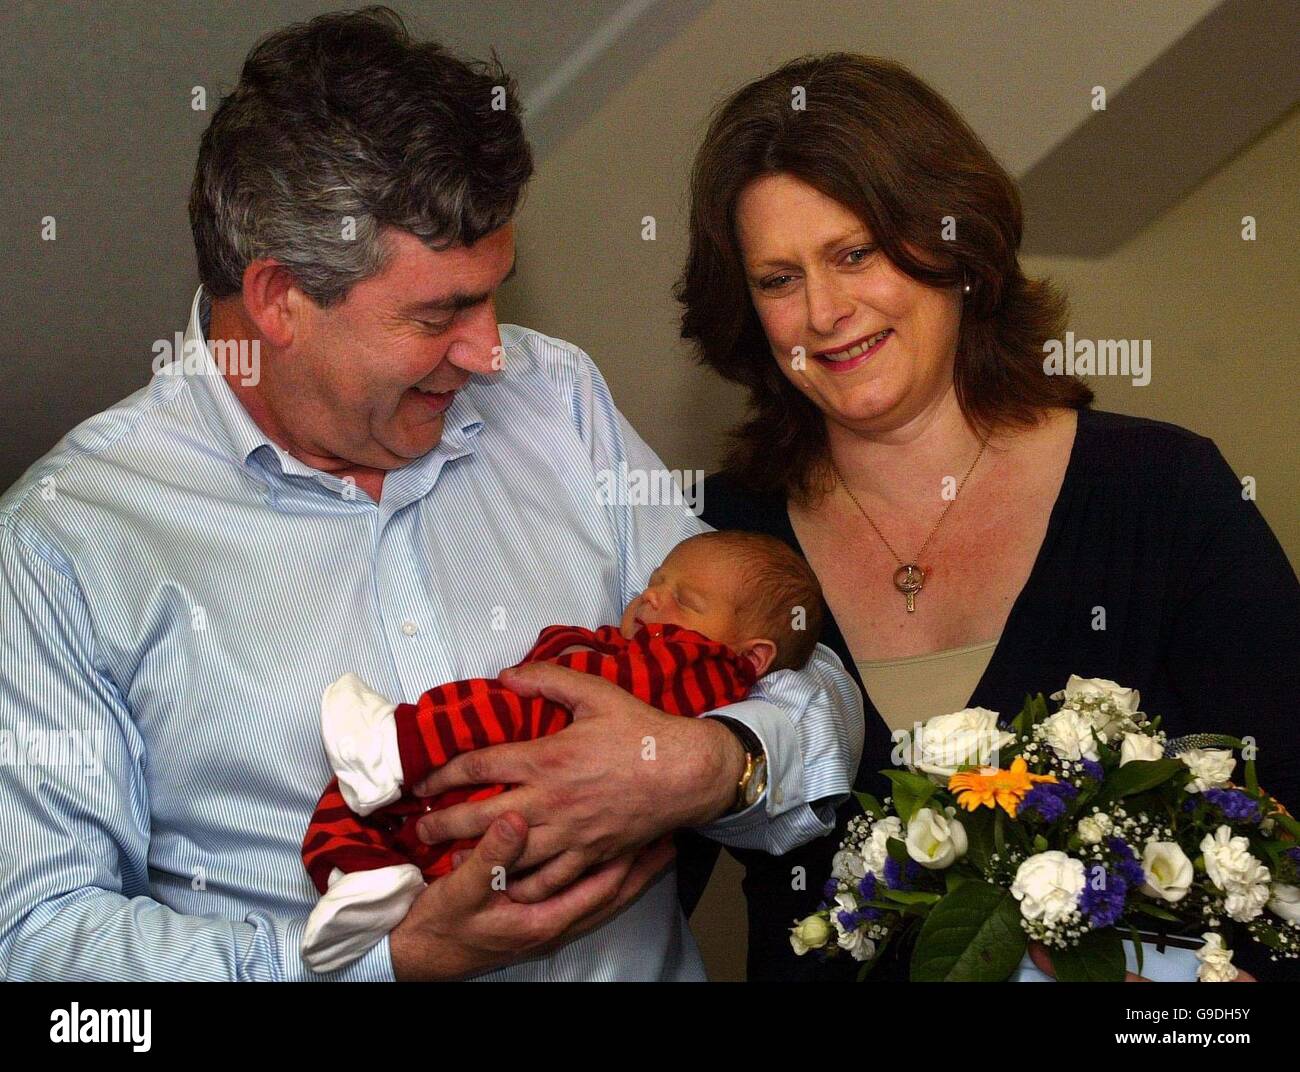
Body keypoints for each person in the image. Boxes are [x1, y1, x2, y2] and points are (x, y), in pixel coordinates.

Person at [0, 10, 863, 982]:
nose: (489, 350)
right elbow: (39, 940)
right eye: (440, 312)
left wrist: (708, 762)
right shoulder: (66, 544)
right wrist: (388, 962)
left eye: (494, 291)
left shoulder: (554, 398)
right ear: (279, 297)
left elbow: (803, 679)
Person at [671, 52, 1300, 982]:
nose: (826, 312)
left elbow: (1288, 835)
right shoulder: (715, 540)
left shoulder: (1162, 492)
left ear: (952, 248)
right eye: (777, 279)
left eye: (856, 253)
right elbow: (636, 884)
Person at [300, 530, 824, 972]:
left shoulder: (704, 668)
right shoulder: (652, 637)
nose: (651, 598)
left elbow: (825, 695)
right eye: (652, 582)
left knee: (504, 702)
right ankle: (364, 880)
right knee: (347, 802)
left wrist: (718, 760)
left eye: (683, 601)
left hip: (516, 810)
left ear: (751, 658)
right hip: (475, 814)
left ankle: (397, 740)